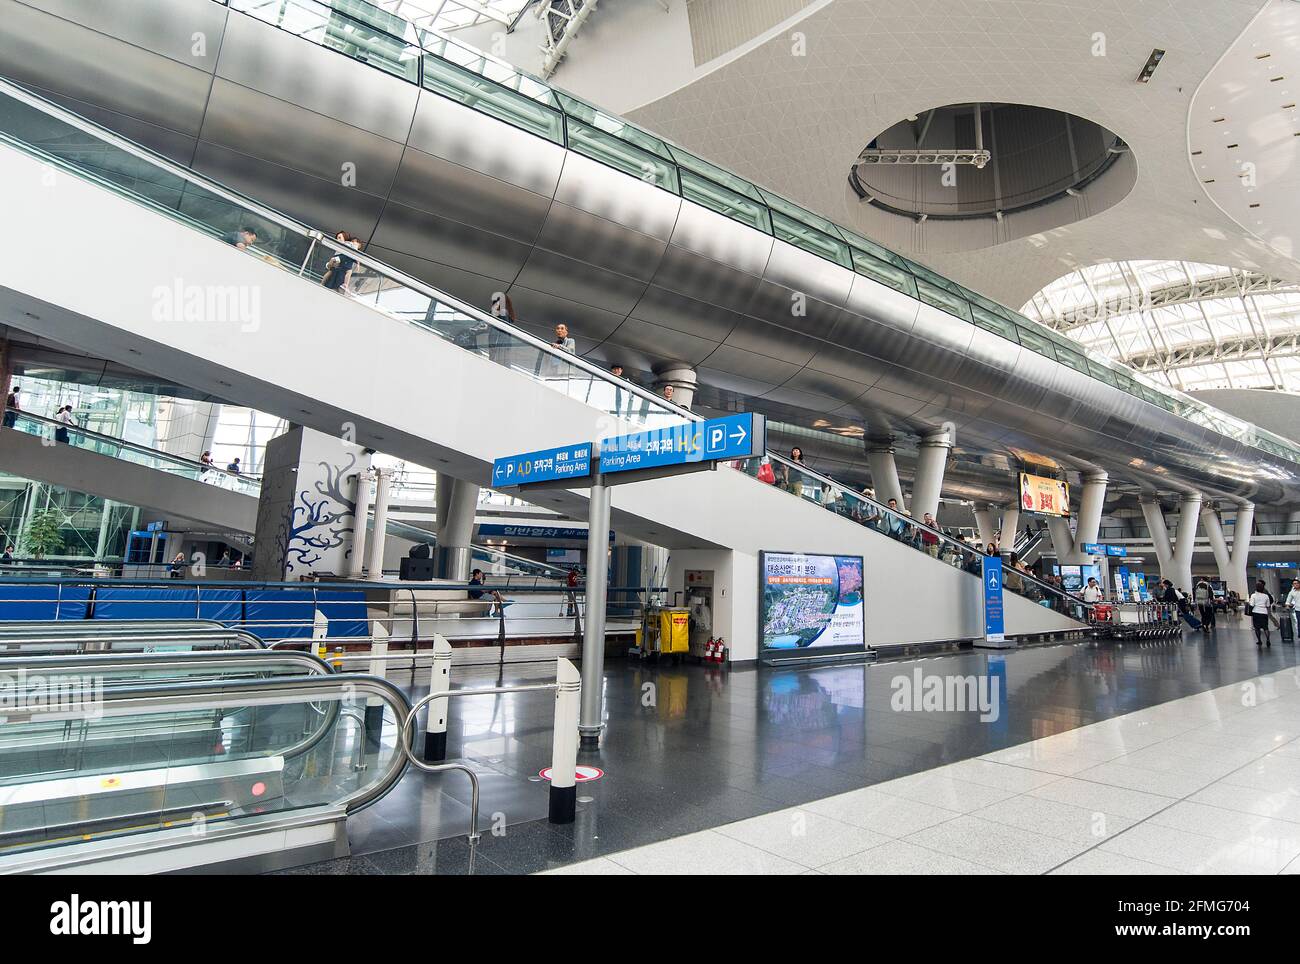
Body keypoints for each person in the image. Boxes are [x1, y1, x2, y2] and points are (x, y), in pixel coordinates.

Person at [1248, 579, 1274, 647]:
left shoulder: (1253, 595)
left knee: (1257, 628)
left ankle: (1259, 640)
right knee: (1266, 627)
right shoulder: (1266, 596)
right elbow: (1268, 605)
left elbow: (1251, 604)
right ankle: (1268, 639)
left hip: (1256, 612)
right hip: (1264, 612)